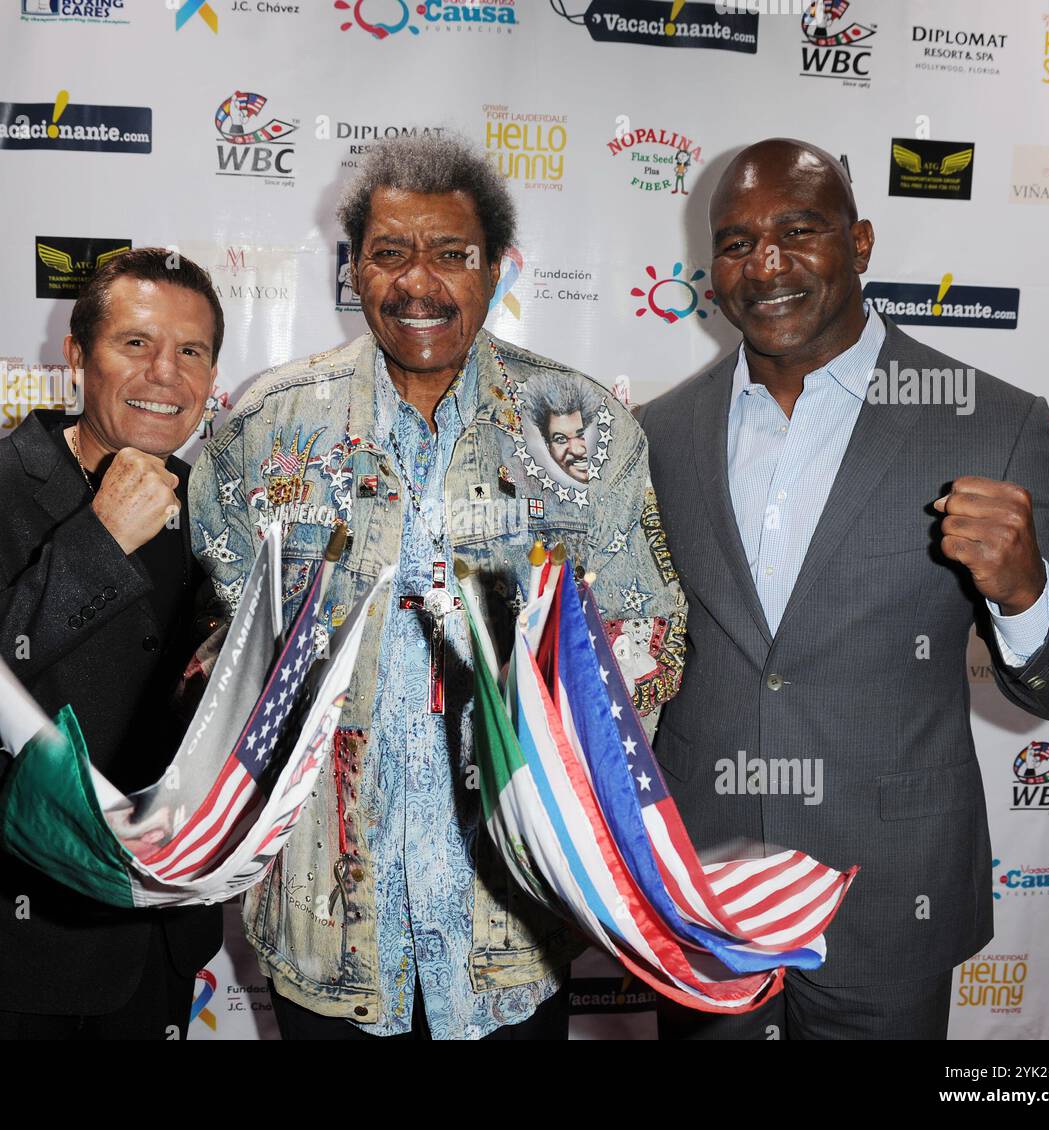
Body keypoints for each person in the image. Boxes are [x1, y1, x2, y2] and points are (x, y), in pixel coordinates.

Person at [190, 135, 685, 1040]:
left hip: (512, 931)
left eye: (453, 254)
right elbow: (218, 640)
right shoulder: (266, 427)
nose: (420, 282)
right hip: (326, 936)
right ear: (355, 270)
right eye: (390, 253)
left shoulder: (577, 427)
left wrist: (559, 776)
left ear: (497, 267)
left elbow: (649, 633)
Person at [641, 138, 1049, 1040]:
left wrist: (1023, 592)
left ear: (860, 242)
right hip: (705, 895)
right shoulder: (655, 435)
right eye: (736, 243)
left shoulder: (993, 420)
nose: (766, 265)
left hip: (893, 897)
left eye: (799, 230)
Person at [0, 248, 226, 1039]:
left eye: (191, 351)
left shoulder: (214, 506)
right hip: (27, 953)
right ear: (77, 357)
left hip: (161, 941)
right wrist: (99, 539)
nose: (165, 375)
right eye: (136, 344)